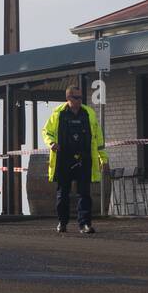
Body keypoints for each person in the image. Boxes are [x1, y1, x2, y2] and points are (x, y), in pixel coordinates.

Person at [42, 83, 108, 234]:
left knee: (84, 193)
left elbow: (98, 138)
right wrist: (51, 143)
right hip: (64, 159)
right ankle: (62, 222)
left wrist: (103, 159)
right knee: (62, 193)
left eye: (80, 97)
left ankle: (85, 224)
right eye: (76, 97)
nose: (79, 100)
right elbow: (46, 131)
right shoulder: (58, 114)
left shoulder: (88, 113)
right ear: (68, 98)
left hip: (84, 159)